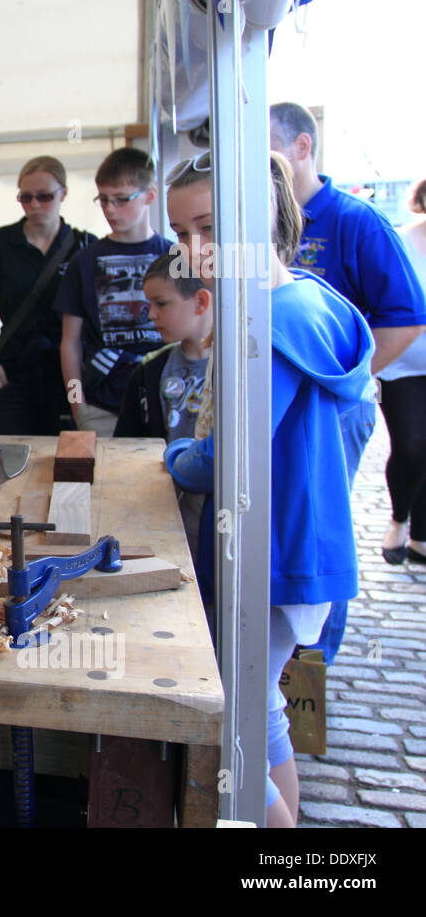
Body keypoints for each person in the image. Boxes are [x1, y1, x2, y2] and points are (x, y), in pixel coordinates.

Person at [165, 153, 374, 828]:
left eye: (208, 226)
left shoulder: (266, 323)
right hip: (300, 546)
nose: (193, 250)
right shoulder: (305, 296)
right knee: (261, 706)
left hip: (276, 552)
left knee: (227, 716)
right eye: (181, 233)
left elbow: (229, 457)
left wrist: (175, 458)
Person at [269, 102, 426, 663]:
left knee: (316, 536)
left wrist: (341, 385)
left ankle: (310, 671)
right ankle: (276, 665)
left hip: (331, 410)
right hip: (277, 401)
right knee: (280, 528)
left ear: (302, 147)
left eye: (267, 152)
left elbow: (405, 316)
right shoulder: (257, 220)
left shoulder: (356, 220)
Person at [0, 156, 96, 435]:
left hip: (69, 373)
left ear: (64, 193)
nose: (35, 205)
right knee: (12, 454)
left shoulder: (85, 247)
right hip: (14, 370)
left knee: (71, 454)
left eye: (45, 196)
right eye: (26, 197)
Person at [55, 147, 172, 437]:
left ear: (150, 195)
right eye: (103, 200)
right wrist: (76, 403)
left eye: (122, 199)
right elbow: (69, 342)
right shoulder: (83, 261)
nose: (110, 209)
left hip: (164, 398)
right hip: (100, 405)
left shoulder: (175, 257)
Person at [114, 251, 212, 442]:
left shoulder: (239, 370)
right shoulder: (147, 372)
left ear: (200, 302)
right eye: (149, 304)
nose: (150, 315)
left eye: (161, 303)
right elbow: (125, 446)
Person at [380, 177, 426, 563]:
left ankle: (421, 535)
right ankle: (399, 518)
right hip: (402, 363)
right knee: (411, 445)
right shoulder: (401, 241)